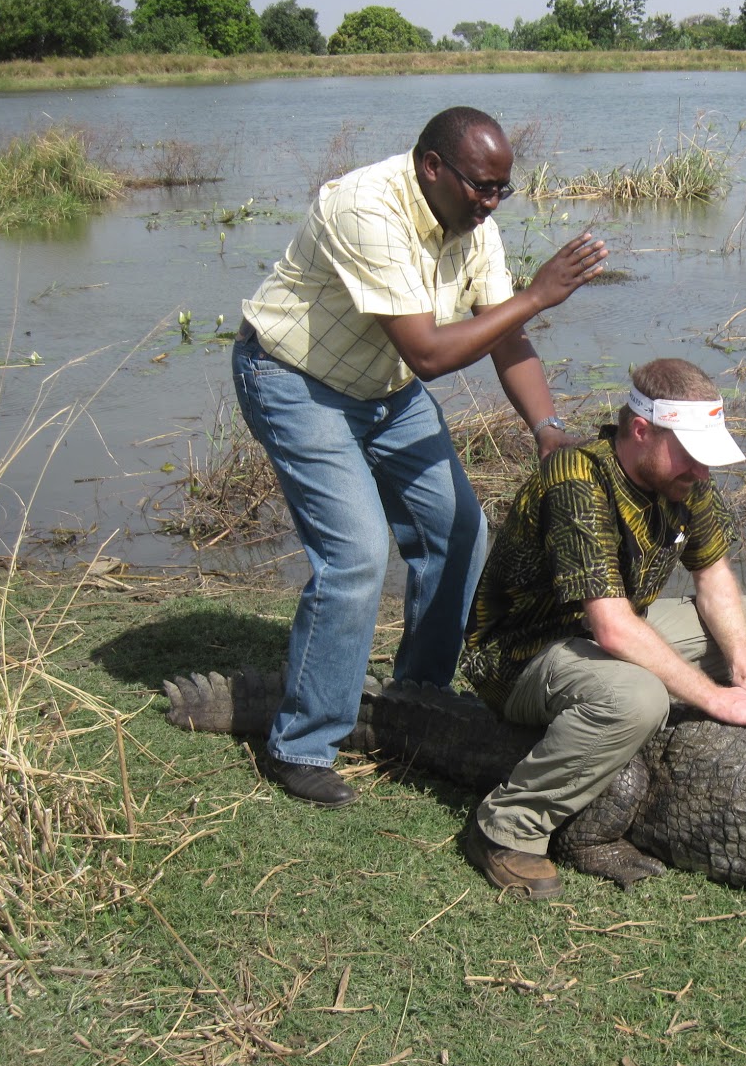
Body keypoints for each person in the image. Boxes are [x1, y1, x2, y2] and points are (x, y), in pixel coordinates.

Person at [232, 106, 607, 808]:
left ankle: (417, 702)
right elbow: (431, 354)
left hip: (385, 391)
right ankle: (302, 742)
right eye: (480, 187)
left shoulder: (474, 226)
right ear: (431, 167)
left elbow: (505, 337)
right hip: (294, 381)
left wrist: (548, 428)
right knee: (356, 556)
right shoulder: (365, 209)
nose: (491, 203)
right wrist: (538, 294)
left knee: (460, 532)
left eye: (503, 190)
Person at [461, 357, 746, 899]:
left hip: (608, 629)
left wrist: (743, 668)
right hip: (522, 654)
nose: (702, 471)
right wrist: (718, 700)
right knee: (638, 698)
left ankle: (612, 723)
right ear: (642, 431)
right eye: (692, 456)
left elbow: (712, 573)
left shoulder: (681, 479)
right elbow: (611, 628)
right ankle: (507, 827)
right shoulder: (577, 476)